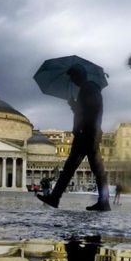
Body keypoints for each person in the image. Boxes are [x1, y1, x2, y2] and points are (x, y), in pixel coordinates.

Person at [37, 64, 110, 211]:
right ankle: (103, 201)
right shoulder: (89, 88)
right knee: (88, 168)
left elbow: (90, 110)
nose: (72, 80)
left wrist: (76, 109)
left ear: (79, 75)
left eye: (73, 77)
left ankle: (55, 198)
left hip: (87, 133)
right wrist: (74, 105)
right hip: (89, 132)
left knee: (77, 167)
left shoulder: (88, 88)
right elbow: (86, 110)